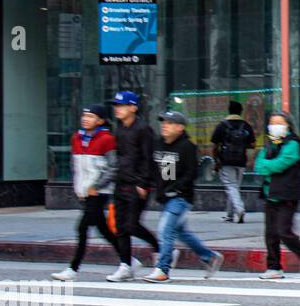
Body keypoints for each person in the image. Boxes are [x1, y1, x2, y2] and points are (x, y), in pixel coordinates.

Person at [142, 111, 224, 282]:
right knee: (181, 232)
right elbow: (152, 168)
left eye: (169, 123)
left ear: (180, 127)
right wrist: (147, 184)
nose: (164, 125)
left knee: (165, 230)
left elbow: (192, 173)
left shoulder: (187, 146)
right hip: (164, 197)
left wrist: (176, 188)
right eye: (163, 122)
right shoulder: (158, 144)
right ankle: (209, 257)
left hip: (180, 198)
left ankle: (163, 269)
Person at [51, 105, 119, 281]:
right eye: (84, 115)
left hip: (99, 192)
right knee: (103, 230)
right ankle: (128, 259)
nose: (85, 119)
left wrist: (96, 186)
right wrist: (79, 188)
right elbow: (76, 167)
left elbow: (113, 167)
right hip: (84, 192)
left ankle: (73, 268)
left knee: (81, 228)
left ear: (101, 121)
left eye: (91, 116)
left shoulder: (107, 139)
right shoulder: (76, 138)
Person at [253, 110, 300, 279]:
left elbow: (280, 164)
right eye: (272, 123)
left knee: (284, 231)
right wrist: (268, 165)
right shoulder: (269, 143)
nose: (274, 126)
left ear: (288, 125)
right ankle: (274, 267)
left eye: (279, 123)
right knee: (270, 233)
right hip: (270, 193)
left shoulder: (292, 143)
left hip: (287, 193)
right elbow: (258, 165)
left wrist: (268, 165)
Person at [106, 90, 159, 282]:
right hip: (120, 183)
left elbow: (148, 158)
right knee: (120, 227)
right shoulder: (119, 128)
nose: (117, 109)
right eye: (116, 106)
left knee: (132, 225)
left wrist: (143, 183)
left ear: (133, 108)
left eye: (121, 105)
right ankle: (125, 265)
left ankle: (160, 250)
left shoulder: (143, 129)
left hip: (137, 185)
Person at [210, 100, 254, 223]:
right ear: (241, 111)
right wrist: (242, 146)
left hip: (226, 161)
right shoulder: (245, 125)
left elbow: (214, 145)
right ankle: (229, 214)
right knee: (234, 187)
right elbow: (253, 144)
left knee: (231, 187)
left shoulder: (222, 125)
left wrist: (216, 161)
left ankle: (239, 209)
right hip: (241, 161)